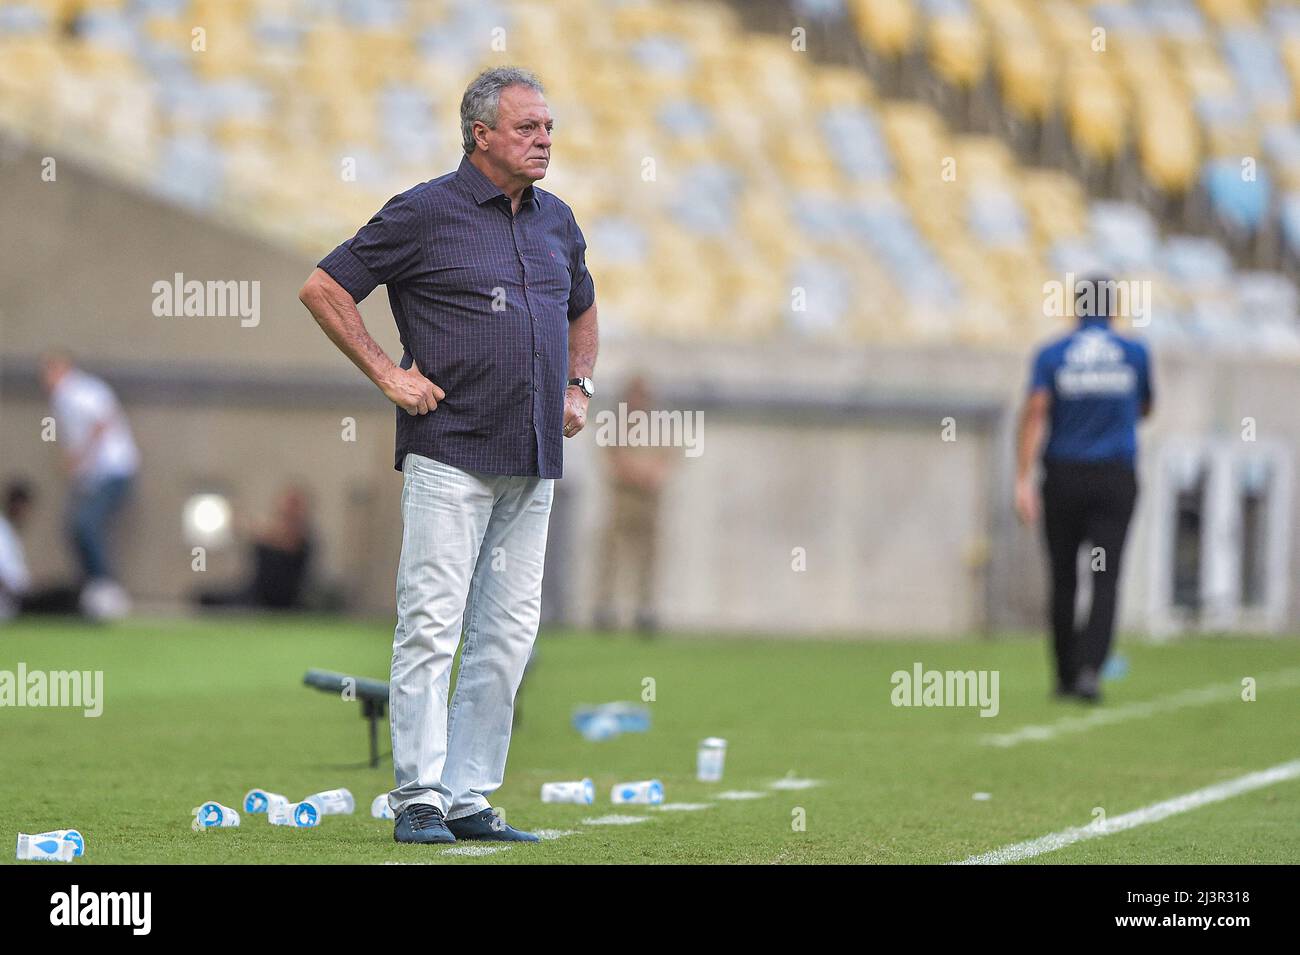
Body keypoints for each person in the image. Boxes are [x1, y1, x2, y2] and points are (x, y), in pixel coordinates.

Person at [299, 67, 598, 845]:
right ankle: (419, 796)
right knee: (432, 625)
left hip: (532, 459)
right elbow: (326, 286)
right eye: (529, 127)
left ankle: (469, 795)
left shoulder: (557, 220)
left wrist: (579, 385)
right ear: (482, 135)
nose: (545, 140)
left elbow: (584, 306)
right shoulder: (424, 211)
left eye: (548, 127)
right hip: (452, 453)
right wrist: (387, 374)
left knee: (506, 636)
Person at [1015, 275, 1153, 702]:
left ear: (1076, 307)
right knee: (1105, 575)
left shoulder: (1052, 354)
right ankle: (1092, 669)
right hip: (1113, 476)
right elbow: (1145, 407)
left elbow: (1036, 411)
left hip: (1063, 476)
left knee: (1063, 577)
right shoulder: (1133, 354)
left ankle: (1064, 674)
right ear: (1113, 308)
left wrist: (1023, 478)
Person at [40, 351, 139, 619]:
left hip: (113, 470)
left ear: (63, 368)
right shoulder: (60, 400)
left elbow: (102, 421)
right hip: (92, 476)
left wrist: (81, 458)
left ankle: (107, 590)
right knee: (74, 527)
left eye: (50, 371)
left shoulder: (79, 390)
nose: (46, 379)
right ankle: (91, 590)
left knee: (86, 524)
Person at [593, 375, 673, 635]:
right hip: (623, 498)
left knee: (649, 555)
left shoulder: (659, 426)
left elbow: (668, 457)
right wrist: (638, 475)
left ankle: (645, 609)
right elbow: (613, 458)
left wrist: (655, 474)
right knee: (613, 552)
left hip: (650, 501)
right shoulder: (616, 424)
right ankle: (606, 607)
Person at [195, 485, 315, 610]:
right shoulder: (268, 529)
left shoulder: (302, 536)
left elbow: (284, 540)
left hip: (283, 599)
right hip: (255, 592)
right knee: (206, 597)